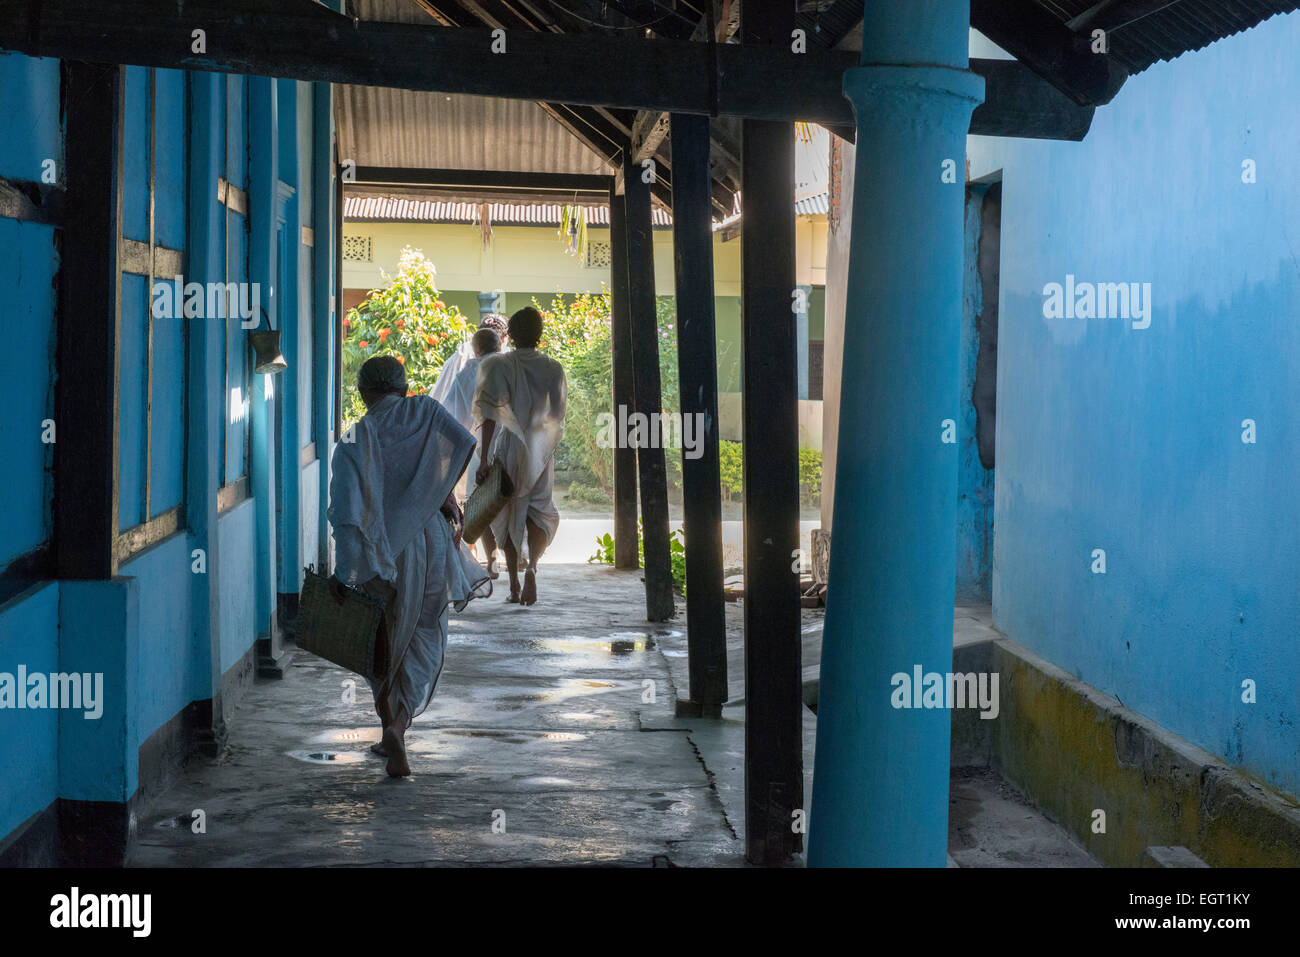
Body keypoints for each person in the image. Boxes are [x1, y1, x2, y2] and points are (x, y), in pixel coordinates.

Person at [327, 355, 490, 777]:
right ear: (403, 387)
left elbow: (346, 517)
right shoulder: (424, 411)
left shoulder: (353, 439)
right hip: (431, 544)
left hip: (378, 557)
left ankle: (388, 727)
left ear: (363, 393)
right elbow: (461, 444)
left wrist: (344, 576)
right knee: (422, 638)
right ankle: (398, 727)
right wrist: (439, 493)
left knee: (380, 642)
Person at [474, 307, 567, 606]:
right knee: (538, 511)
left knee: (509, 512)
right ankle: (534, 568)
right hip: (540, 453)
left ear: (510, 336)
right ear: (540, 335)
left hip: (509, 449)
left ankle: (514, 582)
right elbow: (557, 416)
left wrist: (486, 458)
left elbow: (488, 416)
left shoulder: (498, 366)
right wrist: (540, 443)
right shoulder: (553, 368)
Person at [438, 329, 504, 577]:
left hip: (481, 447)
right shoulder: (512, 368)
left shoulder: (470, 372)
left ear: (476, 351)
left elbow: (452, 416)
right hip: (516, 446)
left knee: (481, 504)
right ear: (500, 346)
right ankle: (518, 564)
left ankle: (492, 557)